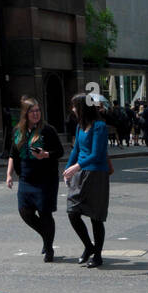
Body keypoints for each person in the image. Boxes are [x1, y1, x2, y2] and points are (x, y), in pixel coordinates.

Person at [5, 98, 63, 262]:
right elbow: (12, 154)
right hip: (26, 178)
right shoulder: (18, 131)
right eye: (32, 111)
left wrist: (45, 154)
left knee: (45, 214)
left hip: (46, 179)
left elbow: (59, 152)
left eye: (38, 110)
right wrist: (9, 175)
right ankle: (47, 237)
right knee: (25, 212)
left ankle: (49, 248)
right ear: (26, 113)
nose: (36, 114)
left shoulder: (47, 130)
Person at [63, 93, 110, 268]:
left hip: (96, 174)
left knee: (95, 217)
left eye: (75, 106)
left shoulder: (99, 126)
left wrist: (77, 166)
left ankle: (97, 255)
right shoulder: (80, 126)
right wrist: (68, 168)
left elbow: (97, 154)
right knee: (72, 211)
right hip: (80, 172)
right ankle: (89, 246)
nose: (73, 109)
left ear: (83, 107)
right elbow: (76, 150)